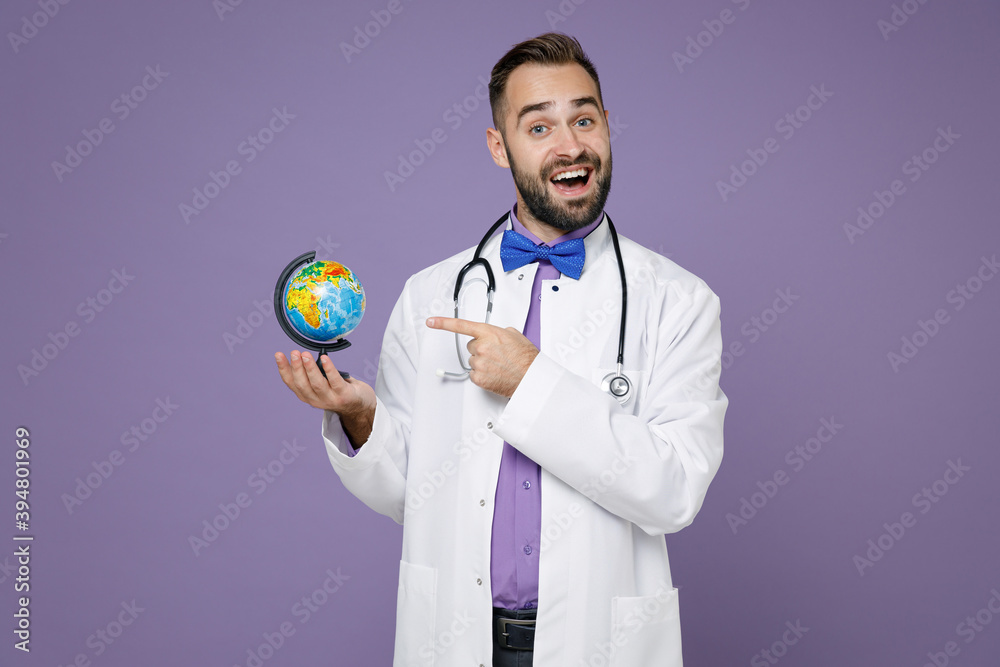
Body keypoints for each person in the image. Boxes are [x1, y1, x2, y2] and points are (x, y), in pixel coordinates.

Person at [275, 32, 727, 667]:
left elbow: (674, 491)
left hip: (600, 642)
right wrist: (360, 416)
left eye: (584, 118)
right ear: (499, 147)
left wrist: (531, 379)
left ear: (606, 128)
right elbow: (413, 494)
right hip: (456, 637)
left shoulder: (677, 301)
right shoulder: (432, 294)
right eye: (538, 127)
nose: (571, 145)